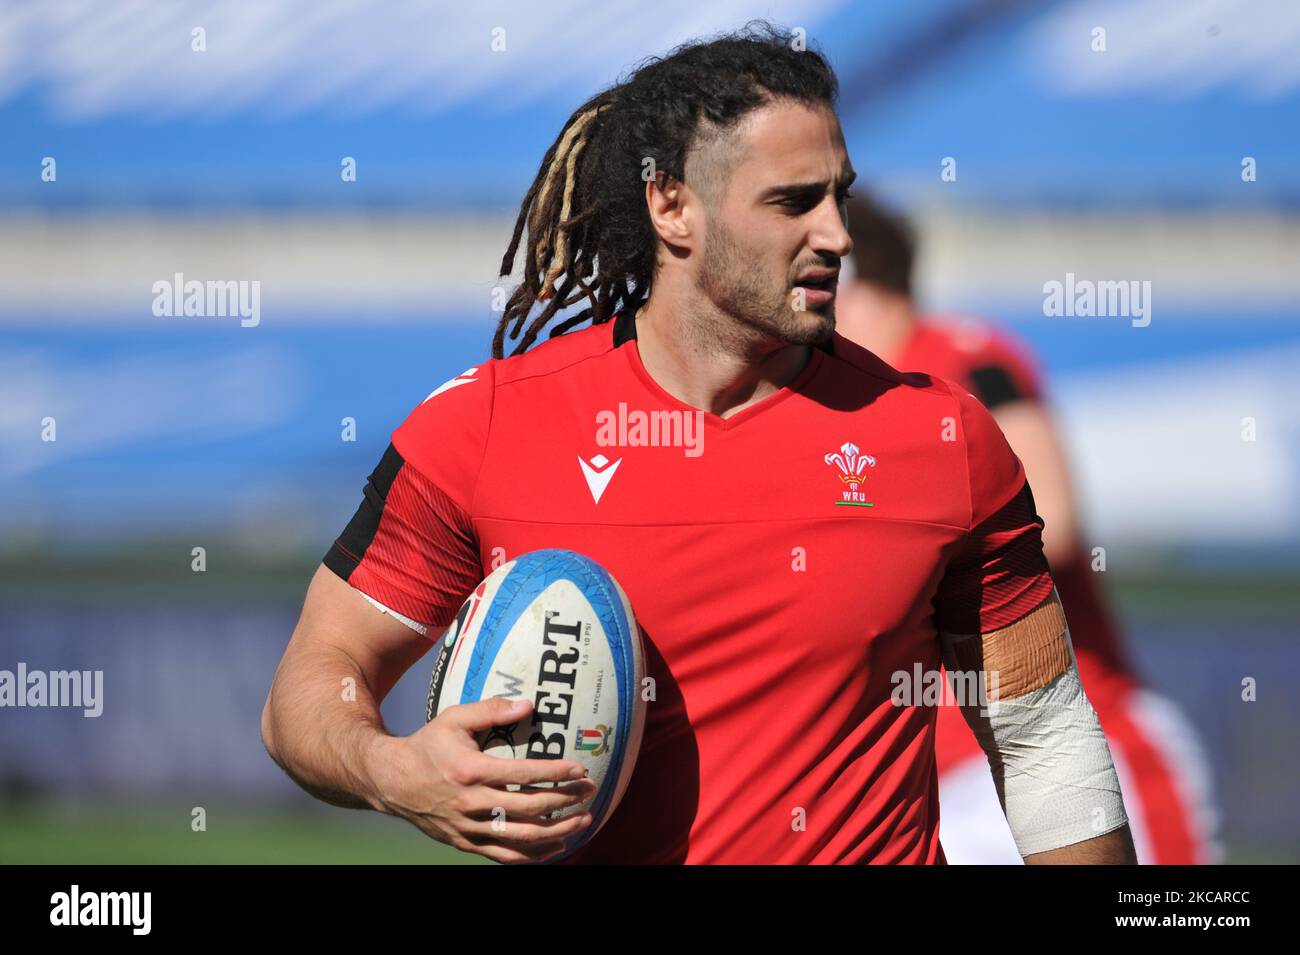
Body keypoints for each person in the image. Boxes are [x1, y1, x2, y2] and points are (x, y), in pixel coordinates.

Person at [261, 22, 1136, 864]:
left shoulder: (942, 438)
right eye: (794, 202)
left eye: (841, 197)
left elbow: (1046, 738)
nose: (835, 235)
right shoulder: (482, 427)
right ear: (672, 205)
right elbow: (314, 681)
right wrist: (392, 769)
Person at [834, 195, 1222, 864]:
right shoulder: (829, 408)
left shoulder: (958, 358)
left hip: (1067, 756)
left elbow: (1054, 517)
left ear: (859, 288)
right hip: (942, 783)